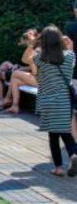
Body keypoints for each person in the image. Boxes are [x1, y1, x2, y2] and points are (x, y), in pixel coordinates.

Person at [31, 26, 77, 177]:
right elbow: (69, 69)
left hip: (48, 101)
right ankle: (73, 155)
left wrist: (34, 43)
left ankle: (58, 168)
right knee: (66, 132)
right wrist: (69, 44)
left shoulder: (40, 58)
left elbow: (35, 72)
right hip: (65, 100)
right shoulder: (69, 56)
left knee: (53, 135)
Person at [1, 30, 39, 115]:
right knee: (15, 80)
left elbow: (25, 59)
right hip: (39, 77)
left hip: (41, 80)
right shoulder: (41, 49)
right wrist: (21, 69)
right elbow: (32, 64)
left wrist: (31, 45)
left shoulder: (39, 50)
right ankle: (15, 106)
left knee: (15, 74)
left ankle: (7, 98)